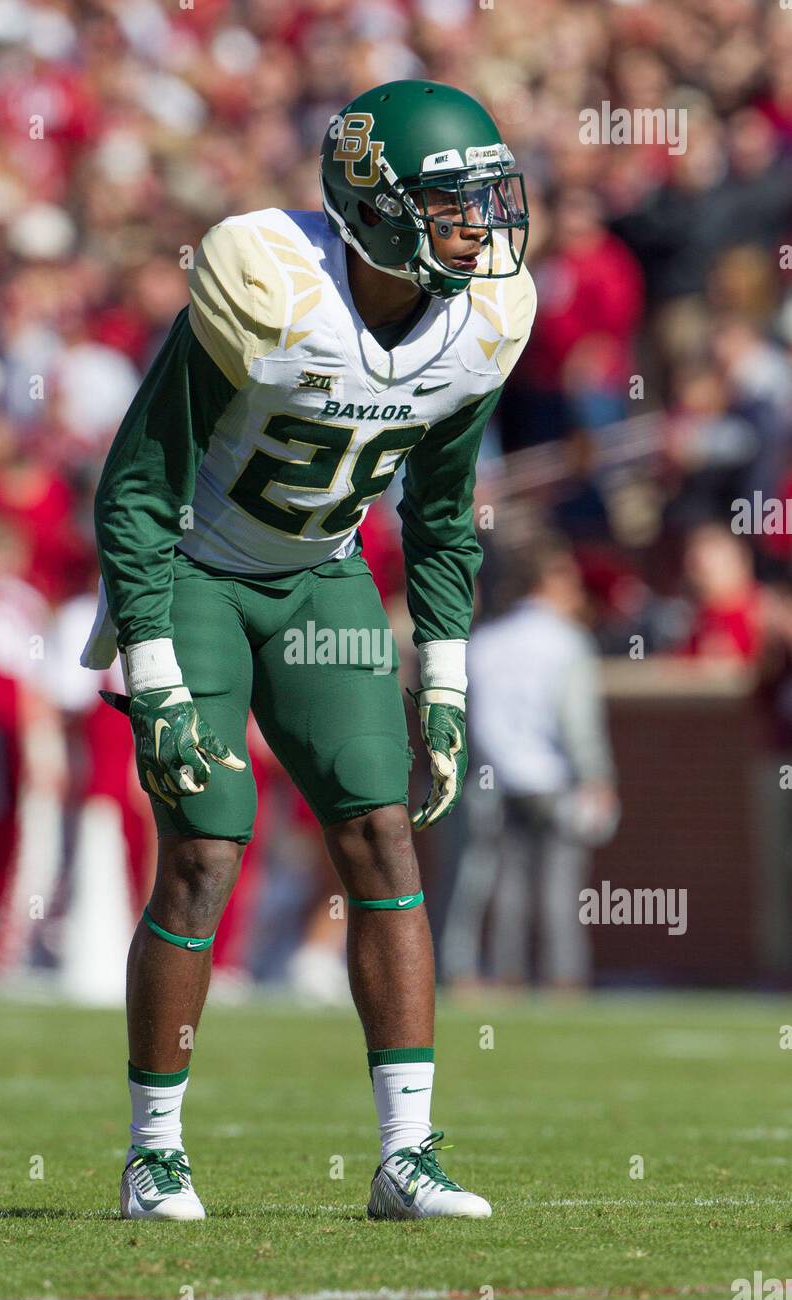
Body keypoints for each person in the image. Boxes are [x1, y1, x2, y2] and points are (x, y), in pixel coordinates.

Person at [81, 80, 536, 1221]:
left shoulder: (480, 320)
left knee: (384, 833)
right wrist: (152, 670)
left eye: (486, 200)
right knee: (206, 848)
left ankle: (407, 1153)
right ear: (377, 206)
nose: (483, 226)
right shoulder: (268, 285)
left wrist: (443, 674)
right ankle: (154, 1151)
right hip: (197, 563)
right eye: (453, 202)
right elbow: (137, 489)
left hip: (323, 573)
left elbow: (439, 513)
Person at [442, 537, 618, 992]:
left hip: (494, 778)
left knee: (506, 883)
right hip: (552, 778)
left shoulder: (485, 641)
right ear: (549, 580)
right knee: (560, 885)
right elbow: (577, 723)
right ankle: (563, 978)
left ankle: (508, 973)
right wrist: (598, 777)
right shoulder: (567, 642)